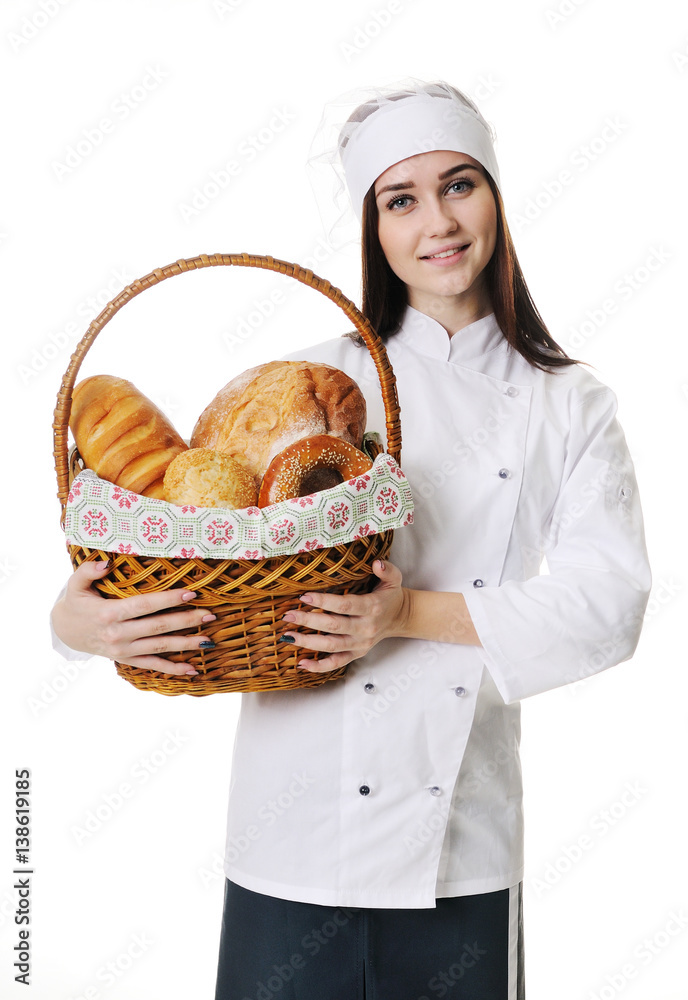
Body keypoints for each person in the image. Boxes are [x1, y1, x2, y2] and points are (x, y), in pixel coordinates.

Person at [51, 80, 652, 999]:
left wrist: (404, 613)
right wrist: (77, 624)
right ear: (374, 230)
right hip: (289, 836)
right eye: (400, 200)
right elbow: (195, 544)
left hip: (462, 850)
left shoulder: (568, 403)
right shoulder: (311, 383)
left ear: (496, 194)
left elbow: (608, 604)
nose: (437, 223)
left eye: (460, 185)